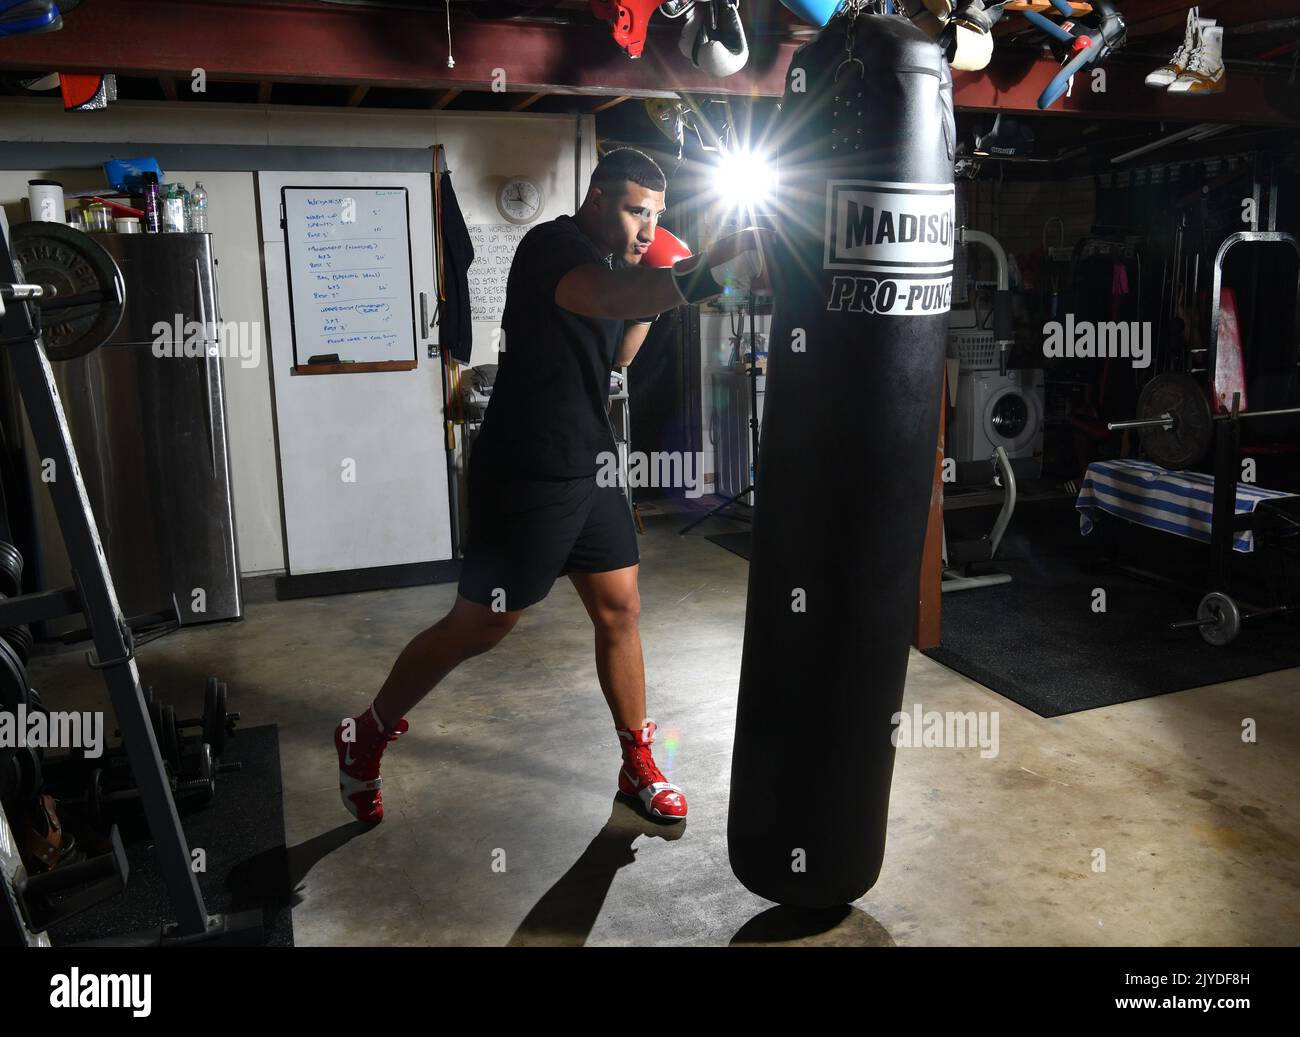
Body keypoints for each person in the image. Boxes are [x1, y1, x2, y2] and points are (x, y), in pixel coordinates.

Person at [334, 147, 768, 826]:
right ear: (597, 200)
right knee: (482, 625)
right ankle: (367, 731)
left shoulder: (622, 266)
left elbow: (617, 354)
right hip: (525, 468)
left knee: (621, 611)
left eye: (654, 216)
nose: (646, 229)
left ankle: (637, 764)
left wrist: (654, 290)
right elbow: (599, 296)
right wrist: (696, 275)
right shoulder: (552, 246)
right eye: (634, 212)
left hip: (590, 461)